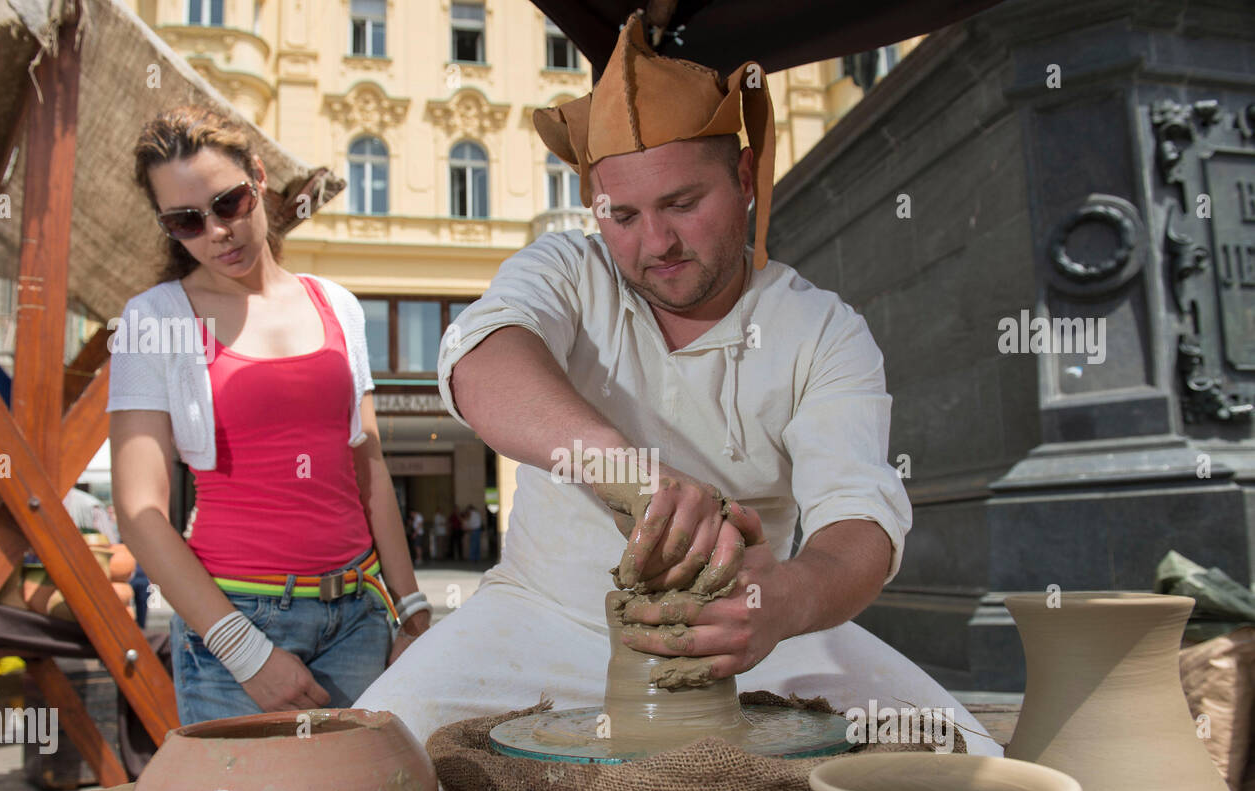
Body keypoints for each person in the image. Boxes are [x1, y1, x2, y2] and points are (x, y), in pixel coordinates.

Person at [355, 15, 999, 753]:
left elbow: (860, 522)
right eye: (621, 215)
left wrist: (783, 600)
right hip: (537, 617)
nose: (653, 243)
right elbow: (480, 360)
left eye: (683, 204)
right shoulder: (569, 270)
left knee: (967, 759)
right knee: (368, 762)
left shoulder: (821, 329)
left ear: (746, 179)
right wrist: (631, 476)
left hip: (754, 632)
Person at [108, 105, 431, 725]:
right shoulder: (155, 321)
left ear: (258, 178)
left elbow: (369, 470)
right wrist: (245, 652)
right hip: (237, 625)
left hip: (360, 619)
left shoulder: (337, 305)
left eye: (227, 203)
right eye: (186, 221)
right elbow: (140, 512)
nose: (216, 232)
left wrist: (414, 610)